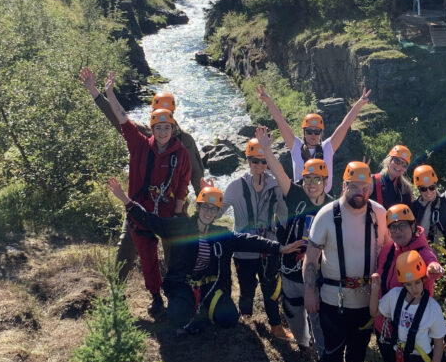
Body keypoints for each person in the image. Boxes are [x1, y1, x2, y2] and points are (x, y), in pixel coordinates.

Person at [106, 178, 302, 333]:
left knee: (229, 319)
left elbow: (248, 241)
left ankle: (203, 307)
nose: (208, 212)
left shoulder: (221, 233)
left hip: (211, 286)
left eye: (213, 209)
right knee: (176, 318)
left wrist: (279, 248)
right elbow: (152, 222)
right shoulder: (180, 227)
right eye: (205, 207)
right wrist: (126, 201)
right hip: (182, 284)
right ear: (198, 208)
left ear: (217, 212)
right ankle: (191, 307)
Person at [304, 161, 389, 362]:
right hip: (333, 298)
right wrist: (309, 291)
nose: (360, 192)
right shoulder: (327, 215)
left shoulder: (379, 214)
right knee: (332, 350)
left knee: (359, 349)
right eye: (354, 186)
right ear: (344, 186)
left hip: (365, 299)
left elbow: (386, 252)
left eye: (365, 187)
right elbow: (311, 258)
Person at [100, 74, 191, 318]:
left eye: (166, 128)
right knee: (146, 254)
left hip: (167, 211)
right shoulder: (139, 144)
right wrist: (108, 93)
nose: (162, 132)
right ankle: (154, 296)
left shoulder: (180, 152)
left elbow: (183, 181)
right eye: (158, 128)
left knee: (174, 254)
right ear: (152, 129)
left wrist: (178, 210)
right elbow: (122, 119)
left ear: (172, 128)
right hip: (140, 210)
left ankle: (175, 292)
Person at [253, 126, 331, 353]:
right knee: (295, 313)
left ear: (326, 181)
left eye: (317, 179)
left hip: (319, 275)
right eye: (308, 179)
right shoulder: (296, 194)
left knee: (317, 316)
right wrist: (266, 150)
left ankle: (321, 351)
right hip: (290, 270)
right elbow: (279, 173)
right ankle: (303, 345)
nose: (312, 184)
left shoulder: (333, 207)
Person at [371, 204, 444, 362]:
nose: (397, 232)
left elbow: (431, 264)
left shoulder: (421, 253)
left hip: (411, 332)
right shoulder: (388, 250)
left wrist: (433, 269)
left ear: (414, 226)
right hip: (386, 326)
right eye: (393, 228)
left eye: (402, 226)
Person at [79, 68, 204, 194]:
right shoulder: (147, 133)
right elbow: (118, 118)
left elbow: (197, 175)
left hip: (173, 204)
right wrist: (94, 92)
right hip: (146, 200)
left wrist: (202, 206)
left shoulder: (185, 139)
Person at [222, 137, 290, 339]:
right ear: (248, 161)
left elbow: (285, 214)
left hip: (268, 246)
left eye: (263, 161)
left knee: (270, 287)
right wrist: (206, 195)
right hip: (243, 248)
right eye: (255, 161)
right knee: (246, 287)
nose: (259, 165)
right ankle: (246, 319)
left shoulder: (276, 186)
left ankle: (276, 326)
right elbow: (218, 211)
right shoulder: (235, 186)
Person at [257, 85, 371, 192]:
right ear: (304, 132)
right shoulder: (296, 146)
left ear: (321, 134)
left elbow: (344, 125)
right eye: (309, 131)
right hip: (301, 201)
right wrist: (269, 101)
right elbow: (281, 123)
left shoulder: (327, 148)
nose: (313, 135)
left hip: (323, 201)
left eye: (316, 132)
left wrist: (359, 104)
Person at [372, 144, 414, 211]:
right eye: (397, 161)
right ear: (389, 160)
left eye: (404, 165)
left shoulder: (406, 189)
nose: (400, 167)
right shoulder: (373, 181)